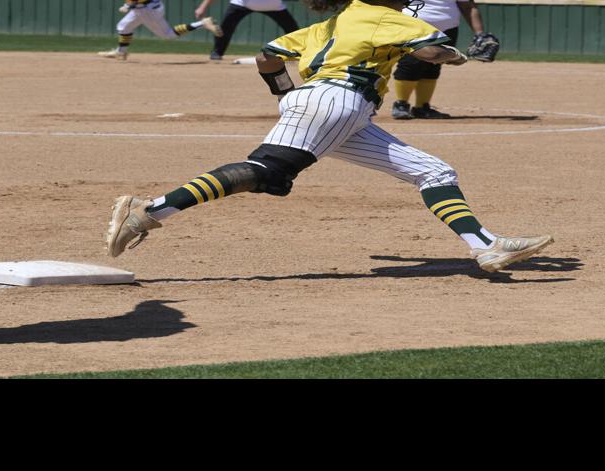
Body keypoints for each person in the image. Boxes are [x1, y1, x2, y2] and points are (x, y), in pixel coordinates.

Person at [104, 0, 552, 274]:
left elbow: (266, 57)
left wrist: (287, 96)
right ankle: (150, 211)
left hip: (336, 108)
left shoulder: (337, 21)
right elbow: (432, 51)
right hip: (341, 103)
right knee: (267, 172)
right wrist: (459, 56)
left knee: (432, 171)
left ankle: (484, 247)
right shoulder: (389, 18)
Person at [390, 0, 485, 119]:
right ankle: (401, 104)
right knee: (410, 64)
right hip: (414, 23)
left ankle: (422, 107)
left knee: (434, 65)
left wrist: (480, 34)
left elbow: (468, 6)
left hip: (448, 27)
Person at [97, 0, 223, 61]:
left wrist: (129, 5)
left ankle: (202, 23)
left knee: (168, 34)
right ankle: (121, 52)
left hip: (146, 10)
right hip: (148, 7)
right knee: (123, 26)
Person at [195, 0, 302, 62]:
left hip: (274, 6)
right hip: (241, 4)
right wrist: (202, 7)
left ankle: (301, 52)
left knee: (293, 30)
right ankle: (217, 52)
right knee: (225, 28)